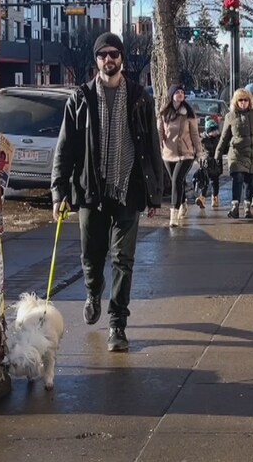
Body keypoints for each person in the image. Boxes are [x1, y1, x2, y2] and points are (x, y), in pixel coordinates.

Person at [51, 32, 163, 353]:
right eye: (103, 54)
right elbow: (65, 149)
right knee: (91, 255)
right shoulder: (80, 99)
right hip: (91, 189)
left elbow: (152, 147)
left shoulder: (140, 98)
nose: (108, 59)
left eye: (114, 53)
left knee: (123, 259)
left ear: (122, 58)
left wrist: (155, 193)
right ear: (96, 60)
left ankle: (117, 322)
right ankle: (92, 290)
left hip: (128, 187)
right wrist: (59, 193)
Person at [215, 88, 253, 219]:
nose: (243, 102)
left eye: (245, 100)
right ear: (236, 101)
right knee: (238, 178)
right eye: (240, 100)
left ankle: (247, 207)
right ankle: (235, 206)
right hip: (237, 153)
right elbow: (224, 137)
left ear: (250, 101)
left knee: (249, 181)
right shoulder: (230, 116)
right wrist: (217, 154)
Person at [157, 84, 200, 228]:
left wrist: (199, 151)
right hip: (168, 154)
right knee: (177, 182)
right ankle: (183, 203)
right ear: (172, 95)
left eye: (182, 92)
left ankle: (173, 214)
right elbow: (160, 133)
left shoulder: (188, 113)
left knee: (176, 180)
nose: (180, 94)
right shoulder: (164, 114)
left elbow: (195, 134)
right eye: (177, 92)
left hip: (186, 154)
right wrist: (158, 148)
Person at [194, 117, 223, 209]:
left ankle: (215, 198)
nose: (215, 132)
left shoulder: (219, 138)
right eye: (213, 130)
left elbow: (223, 148)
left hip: (216, 164)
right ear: (208, 131)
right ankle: (202, 199)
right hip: (206, 164)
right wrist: (198, 159)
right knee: (204, 182)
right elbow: (197, 149)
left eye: (216, 130)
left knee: (215, 182)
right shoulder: (203, 139)